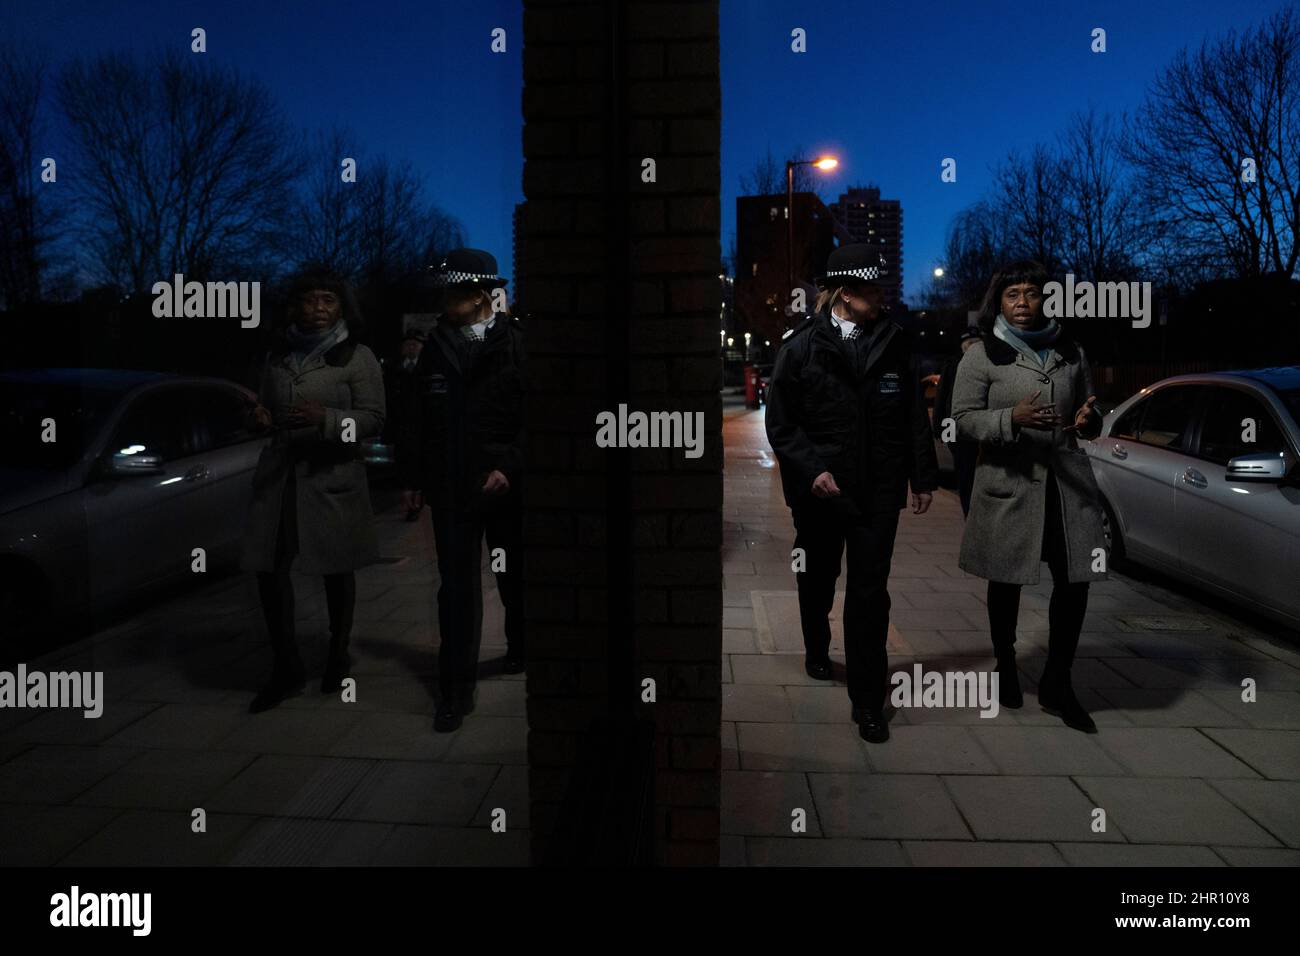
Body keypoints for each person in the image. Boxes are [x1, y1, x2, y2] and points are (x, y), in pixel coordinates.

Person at [765, 244, 939, 743]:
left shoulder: (897, 343)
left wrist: (921, 477)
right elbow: (781, 423)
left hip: (877, 491)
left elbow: (911, 418)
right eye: (871, 288)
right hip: (820, 493)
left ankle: (867, 702)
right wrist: (812, 469)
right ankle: (817, 645)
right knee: (818, 576)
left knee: (869, 592)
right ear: (844, 292)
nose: (881, 296)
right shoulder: (800, 348)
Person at [950, 260, 1106, 733]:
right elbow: (961, 418)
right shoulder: (982, 355)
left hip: (1065, 486)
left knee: (1074, 581)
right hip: (1010, 482)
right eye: (1012, 294)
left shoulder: (1071, 351)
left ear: (1046, 299)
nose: (1022, 303)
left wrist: (1089, 421)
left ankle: (1059, 682)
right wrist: (1010, 420)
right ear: (998, 301)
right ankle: (1005, 665)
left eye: (1031, 294)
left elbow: (1090, 412)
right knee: (1007, 580)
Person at [241, 268, 386, 713]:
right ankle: (286, 668)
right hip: (281, 478)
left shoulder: (358, 357)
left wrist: (327, 419)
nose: (318, 309)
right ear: (296, 306)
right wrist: (261, 417)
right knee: (269, 569)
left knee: (335, 568)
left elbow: (375, 420)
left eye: (328, 300)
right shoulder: (278, 355)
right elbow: (265, 403)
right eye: (310, 300)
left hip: (331, 478)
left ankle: (337, 654)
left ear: (342, 307)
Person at [397, 249, 526, 733]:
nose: (445, 299)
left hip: (505, 486)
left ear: (479, 295)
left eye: (455, 290)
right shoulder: (433, 347)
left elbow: (537, 417)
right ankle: (455, 691)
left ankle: (521, 645)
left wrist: (510, 466)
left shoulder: (516, 343)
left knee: (516, 575)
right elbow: (414, 419)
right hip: (452, 487)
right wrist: (412, 479)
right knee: (456, 590)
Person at [931, 327, 983, 516]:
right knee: (965, 474)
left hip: (981, 430)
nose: (973, 348)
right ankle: (969, 514)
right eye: (969, 344)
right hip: (958, 431)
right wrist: (941, 430)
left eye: (977, 344)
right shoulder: (953, 365)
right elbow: (942, 398)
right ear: (963, 347)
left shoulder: (988, 364)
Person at [386, 330, 426, 520]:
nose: (411, 347)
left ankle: (416, 504)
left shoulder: (427, 369)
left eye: (415, 344)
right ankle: (409, 501)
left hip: (421, 427)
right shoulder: (394, 370)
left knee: (419, 467)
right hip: (402, 427)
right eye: (408, 344)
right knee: (403, 467)